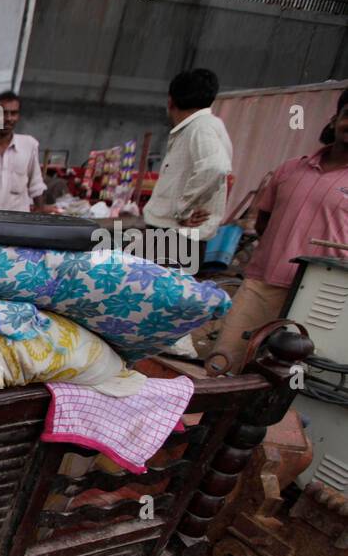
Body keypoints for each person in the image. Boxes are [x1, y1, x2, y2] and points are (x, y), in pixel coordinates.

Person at [206, 88, 348, 375]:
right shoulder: (291, 170)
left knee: (291, 377)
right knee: (224, 363)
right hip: (262, 284)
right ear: (335, 120)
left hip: (321, 300)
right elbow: (263, 222)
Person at [143, 68, 233, 262]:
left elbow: (215, 167)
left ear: (170, 101)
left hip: (175, 239)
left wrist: (183, 209)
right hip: (174, 237)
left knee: (157, 290)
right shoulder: (201, 126)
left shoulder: (201, 127)